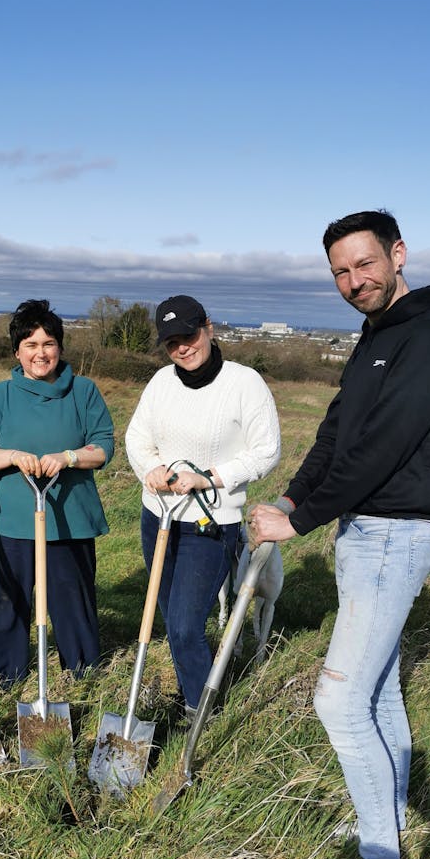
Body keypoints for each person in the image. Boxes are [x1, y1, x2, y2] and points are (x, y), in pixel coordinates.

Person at [250, 210, 430, 859]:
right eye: (340, 272)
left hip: (395, 535)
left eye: (364, 264)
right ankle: (387, 819)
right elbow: (338, 432)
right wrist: (291, 495)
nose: (354, 281)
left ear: (397, 254)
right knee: (375, 693)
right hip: (365, 533)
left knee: (339, 704)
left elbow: (380, 449)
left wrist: (299, 521)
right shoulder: (375, 338)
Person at [125, 295, 280, 718]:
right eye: (172, 341)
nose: (182, 347)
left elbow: (267, 452)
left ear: (208, 327)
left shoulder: (244, 383)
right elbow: (136, 438)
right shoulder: (160, 383)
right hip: (157, 517)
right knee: (172, 618)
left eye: (189, 335)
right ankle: (195, 684)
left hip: (211, 523)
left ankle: (201, 710)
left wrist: (208, 477)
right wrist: (152, 468)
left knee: (185, 625)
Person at [0, 299, 114, 683]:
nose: (40, 352)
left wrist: (67, 457)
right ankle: (1, 674)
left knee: (73, 598)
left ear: (60, 348)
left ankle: (80, 673)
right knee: (8, 598)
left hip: (70, 521)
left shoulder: (84, 391)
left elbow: (103, 447)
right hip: (12, 520)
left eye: (48, 343)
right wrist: (12, 455)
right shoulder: (0, 396)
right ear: (17, 352)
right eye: (30, 345)